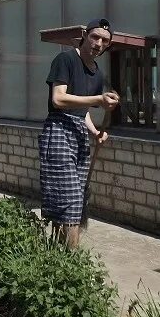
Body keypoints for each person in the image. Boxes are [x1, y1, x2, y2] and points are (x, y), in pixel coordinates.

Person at [39, 18, 119, 249]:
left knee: (78, 197)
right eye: (95, 37)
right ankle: (70, 257)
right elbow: (58, 98)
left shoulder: (96, 72)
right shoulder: (66, 60)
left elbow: (82, 111)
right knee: (69, 196)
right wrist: (99, 99)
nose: (99, 43)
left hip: (79, 133)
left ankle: (63, 252)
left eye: (105, 41)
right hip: (59, 130)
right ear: (85, 36)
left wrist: (95, 132)